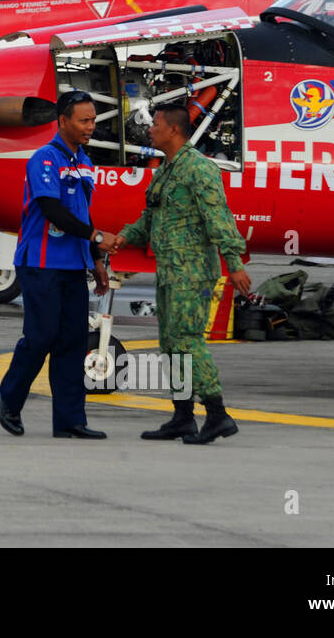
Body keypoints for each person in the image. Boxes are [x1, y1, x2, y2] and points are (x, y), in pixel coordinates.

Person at [113, 102, 251, 444]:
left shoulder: (199, 170)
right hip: (170, 271)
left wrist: (234, 264)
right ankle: (183, 416)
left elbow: (218, 218)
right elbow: (150, 218)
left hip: (191, 273)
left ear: (173, 130)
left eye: (155, 124)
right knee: (171, 344)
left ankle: (217, 414)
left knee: (187, 342)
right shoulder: (167, 170)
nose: (150, 129)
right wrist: (123, 238)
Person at [0, 90, 119, 439]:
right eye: (84, 120)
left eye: (93, 120)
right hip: (41, 262)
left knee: (73, 341)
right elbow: (52, 210)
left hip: (72, 264)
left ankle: (69, 420)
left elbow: (83, 214)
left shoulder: (85, 163)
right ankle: (8, 397)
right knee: (42, 336)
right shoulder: (44, 160)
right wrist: (96, 237)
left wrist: (97, 261)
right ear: (62, 121)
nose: (90, 127)